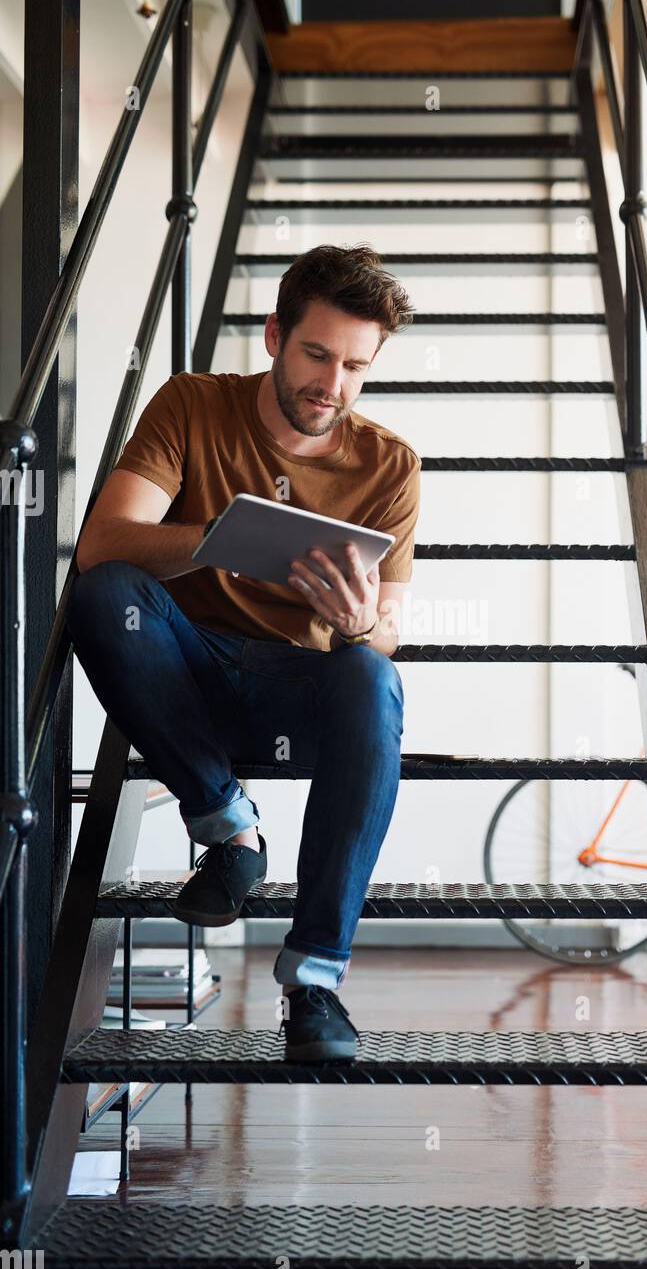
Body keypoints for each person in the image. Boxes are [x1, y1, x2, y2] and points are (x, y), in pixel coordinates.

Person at [67, 244, 419, 1062]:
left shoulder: (390, 465)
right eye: (316, 354)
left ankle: (316, 982)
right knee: (104, 596)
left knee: (373, 673)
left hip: (298, 684)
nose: (330, 385)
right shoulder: (192, 405)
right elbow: (101, 546)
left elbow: (390, 633)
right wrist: (216, 542)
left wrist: (362, 621)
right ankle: (231, 829)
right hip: (183, 674)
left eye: (355, 367)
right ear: (273, 336)